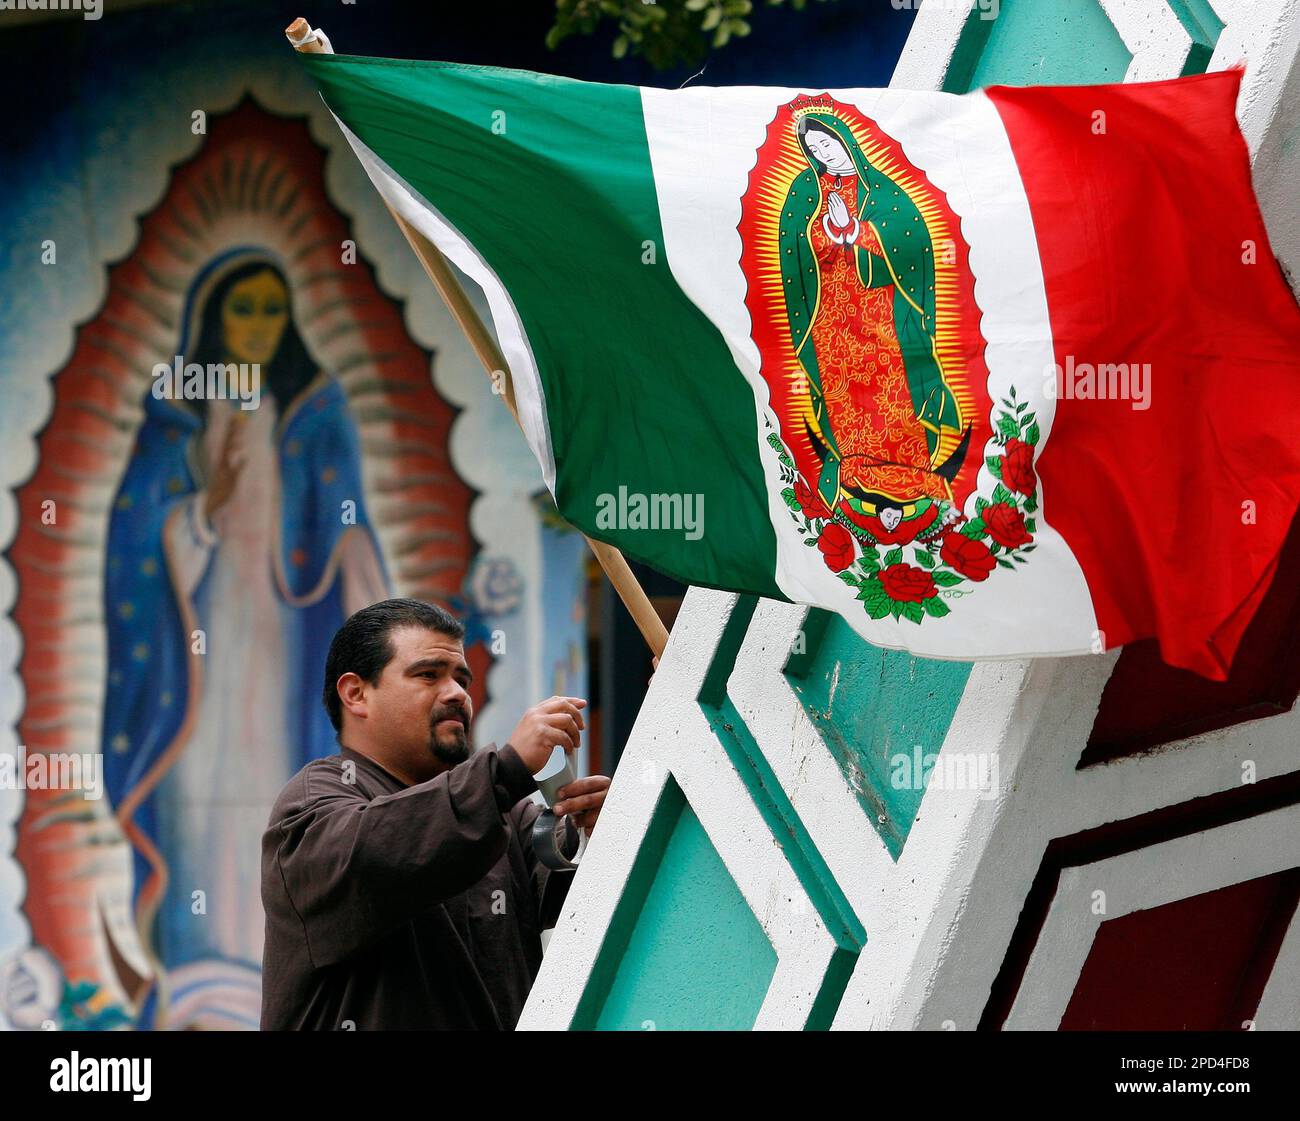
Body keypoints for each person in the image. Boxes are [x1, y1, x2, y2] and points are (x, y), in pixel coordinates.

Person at [260, 598, 611, 1030]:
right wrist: (506, 769)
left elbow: (591, 898)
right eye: (429, 675)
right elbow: (381, 854)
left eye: (462, 678)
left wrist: (601, 827)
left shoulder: (505, 813)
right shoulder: (315, 803)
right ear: (356, 693)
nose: (458, 693)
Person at [779, 113, 969, 525]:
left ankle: (911, 478)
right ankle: (853, 473)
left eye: (826, 144)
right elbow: (793, 248)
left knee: (890, 396)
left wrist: (855, 231)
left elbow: (909, 246)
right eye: (814, 149)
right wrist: (825, 231)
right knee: (843, 399)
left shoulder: (883, 191)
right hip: (829, 316)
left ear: (845, 140)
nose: (821, 152)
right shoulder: (805, 190)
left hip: (879, 312)